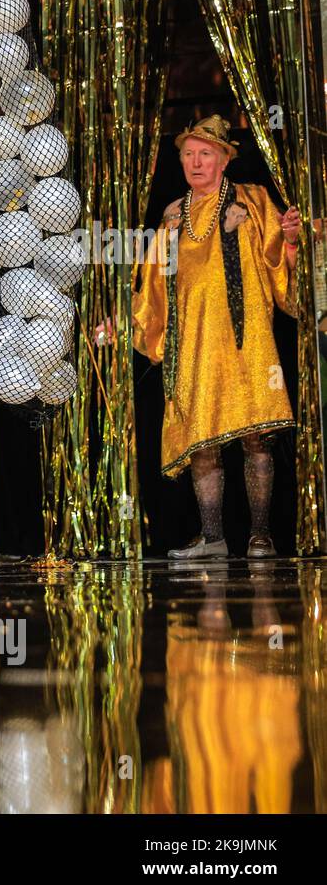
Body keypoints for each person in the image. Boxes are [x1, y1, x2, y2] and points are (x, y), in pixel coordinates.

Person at [131, 115, 301, 559]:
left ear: (224, 160)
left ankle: (260, 534)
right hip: (195, 343)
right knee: (201, 443)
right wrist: (140, 328)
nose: (195, 161)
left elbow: (279, 270)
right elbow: (150, 284)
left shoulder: (254, 200)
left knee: (255, 437)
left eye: (205, 153)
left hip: (246, 341)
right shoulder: (172, 216)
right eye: (188, 154)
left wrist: (291, 243)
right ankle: (213, 538)